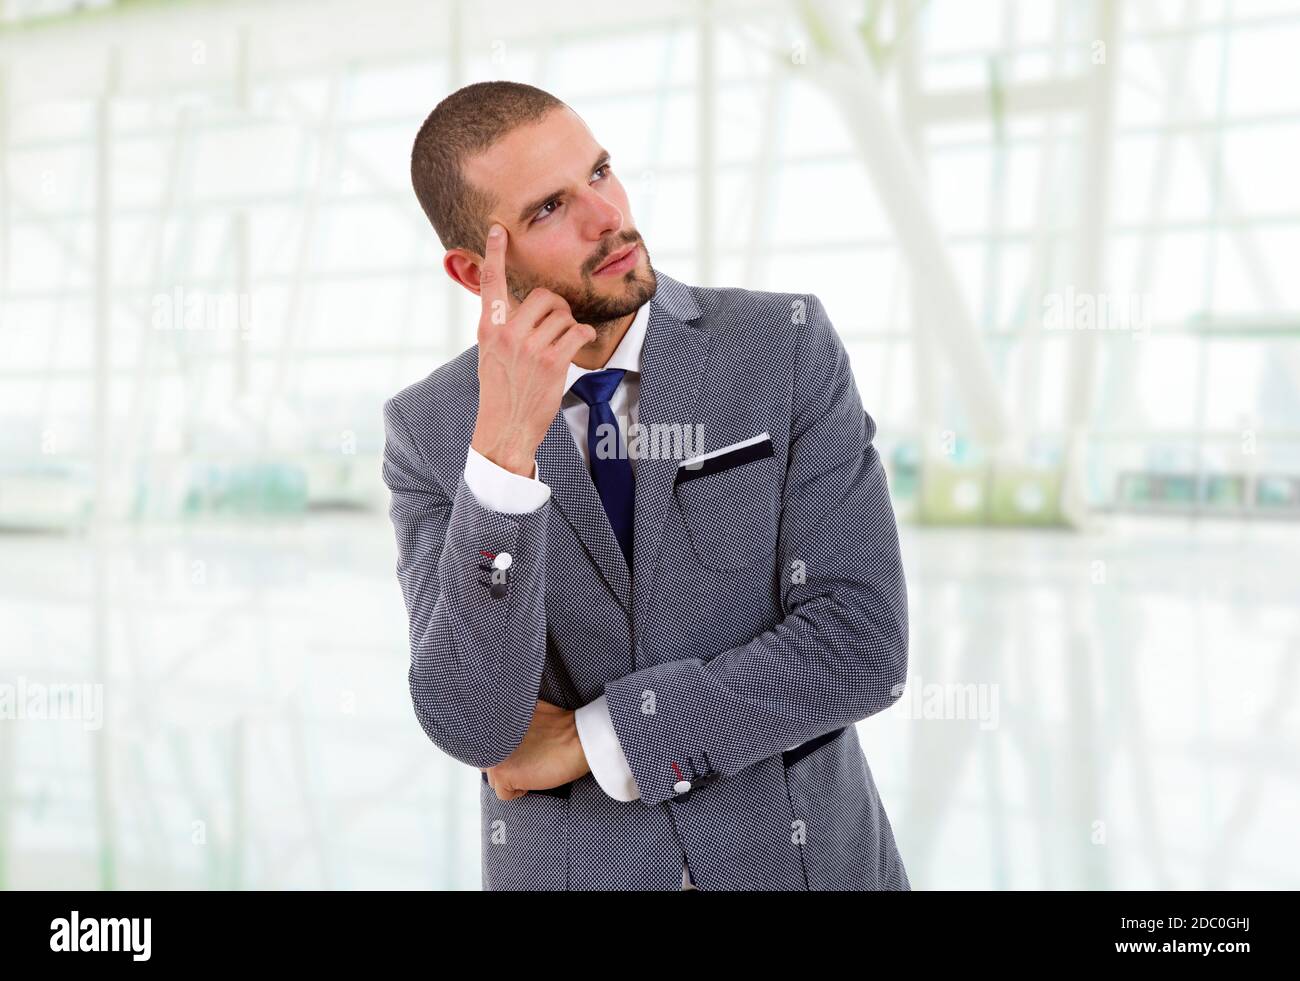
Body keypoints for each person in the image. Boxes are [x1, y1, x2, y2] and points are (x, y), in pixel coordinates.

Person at [383, 80, 910, 890]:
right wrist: (502, 457)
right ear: (471, 271)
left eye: (599, 172)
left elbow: (861, 646)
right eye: (549, 210)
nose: (607, 218)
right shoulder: (432, 431)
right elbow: (475, 721)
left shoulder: (784, 347)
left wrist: (599, 739)